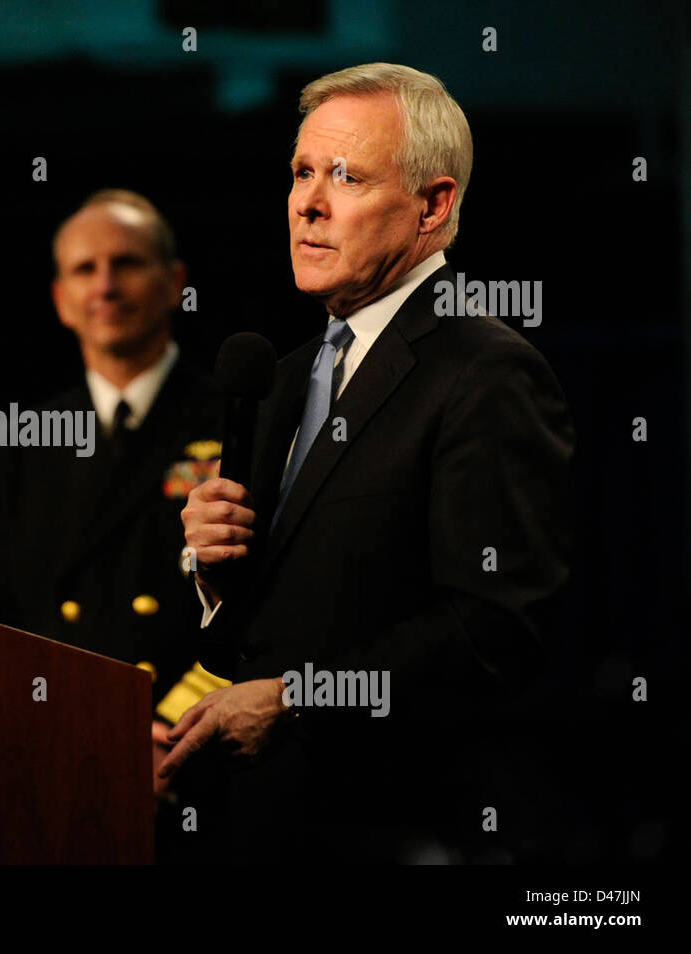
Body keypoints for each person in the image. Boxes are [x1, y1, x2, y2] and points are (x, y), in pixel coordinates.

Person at [165, 63, 574, 862]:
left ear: (434, 204)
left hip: (395, 830)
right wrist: (214, 573)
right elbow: (262, 635)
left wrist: (300, 699)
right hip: (262, 829)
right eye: (302, 172)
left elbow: (496, 628)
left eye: (347, 176)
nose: (308, 203)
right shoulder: (281, 376)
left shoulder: (486, 371)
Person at [0, 190, 227, 851]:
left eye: (127, 263)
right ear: (59, 299)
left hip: (195, 764)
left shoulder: (238, 418)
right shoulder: (21, 442)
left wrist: (167, 737)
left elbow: (264, 609)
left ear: (175, 283)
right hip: (52, 763)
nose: (105, 284)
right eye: (84, 269)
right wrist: (72, 736)